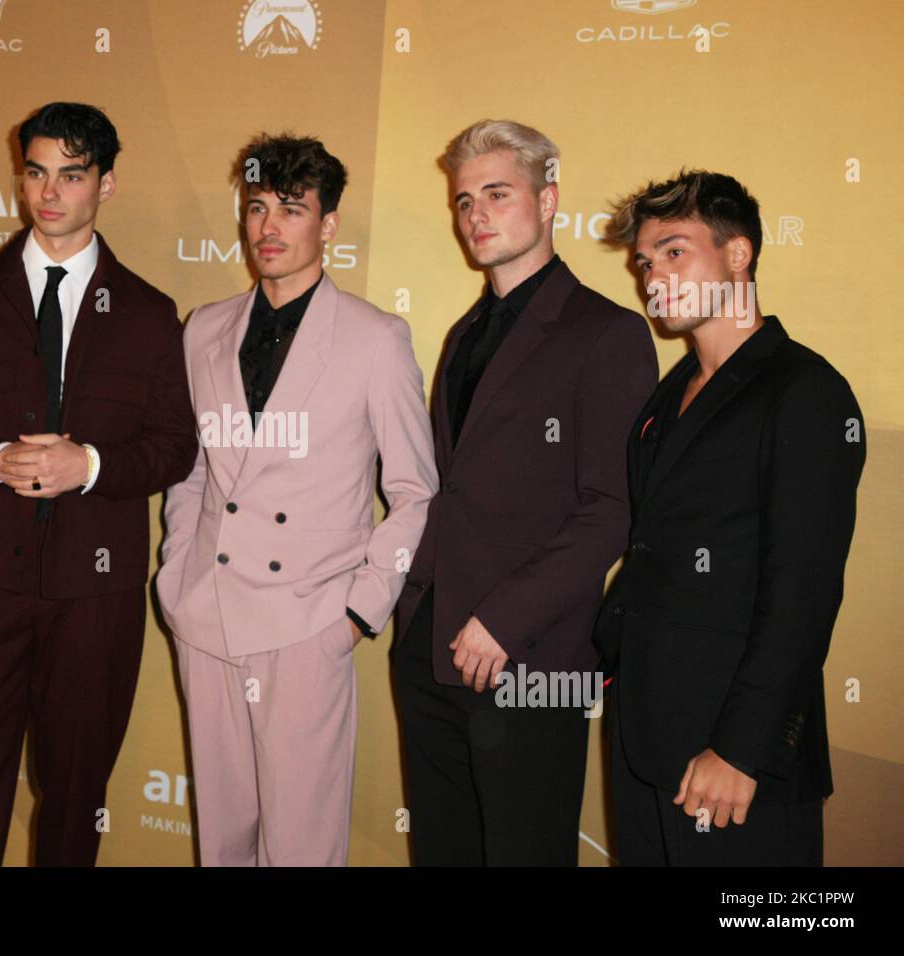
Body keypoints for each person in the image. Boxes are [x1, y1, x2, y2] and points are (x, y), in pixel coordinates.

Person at [0, 102, 197, 866]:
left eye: (72, 174)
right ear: (20, 178)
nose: (51, 192)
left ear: (106, 184)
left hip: (94, 596)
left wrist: (88, 465)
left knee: (74, 799)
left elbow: (174, 447)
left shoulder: (150, 313)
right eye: (37, 172)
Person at [158, 133, 437, 865]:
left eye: (291, 208)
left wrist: (356, 611)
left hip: (307, 620)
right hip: (207, 612)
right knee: (221, 840)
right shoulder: (204, 329)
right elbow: (190, 473)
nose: (269, 228)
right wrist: (175, 573)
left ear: (328, 224)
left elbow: (414, 493)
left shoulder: (376, 339)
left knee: (303, 845)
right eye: (256, 208)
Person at [391, 119, 658, 865]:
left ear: (548, 202)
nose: (475, 214)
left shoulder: (607, 333)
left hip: (532, 661)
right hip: (431, 649)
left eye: (497, 194)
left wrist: (503, 620)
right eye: (465, 199)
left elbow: (613, 507)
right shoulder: (465, 333)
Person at [595, 170, 866, 866]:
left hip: (734, 760)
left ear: (738, 255)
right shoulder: (668, 396)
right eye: (645, 261)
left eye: (675, 251)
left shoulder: (804, 391)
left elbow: (803, 593)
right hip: (644, 741)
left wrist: (743, 749)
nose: (652, 275)